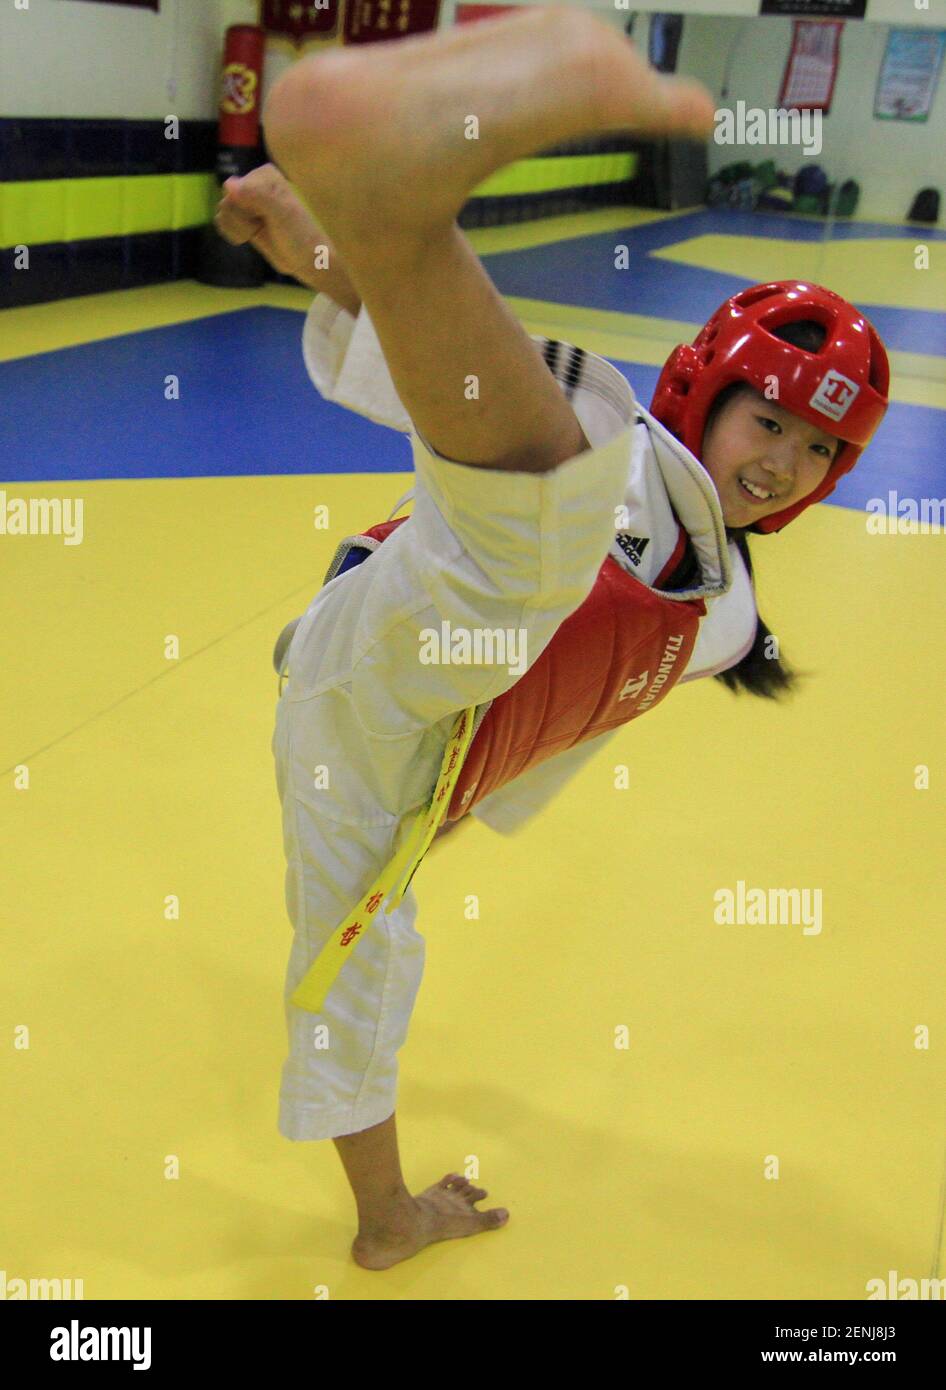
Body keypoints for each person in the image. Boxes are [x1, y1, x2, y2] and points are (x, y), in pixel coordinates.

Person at [215, 6, 888, 1271]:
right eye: (770, 425)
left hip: (396, 743)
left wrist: (466, 809)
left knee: (365, 953)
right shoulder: (621, 456)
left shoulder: (723, 610)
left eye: (814, 454)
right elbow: (451, 376)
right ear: (712, 390)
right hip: (401, 634)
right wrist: (320, 243)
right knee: (568, 461)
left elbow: (584, 714)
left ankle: (394, 207)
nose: (781, 465)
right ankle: (400, 200)